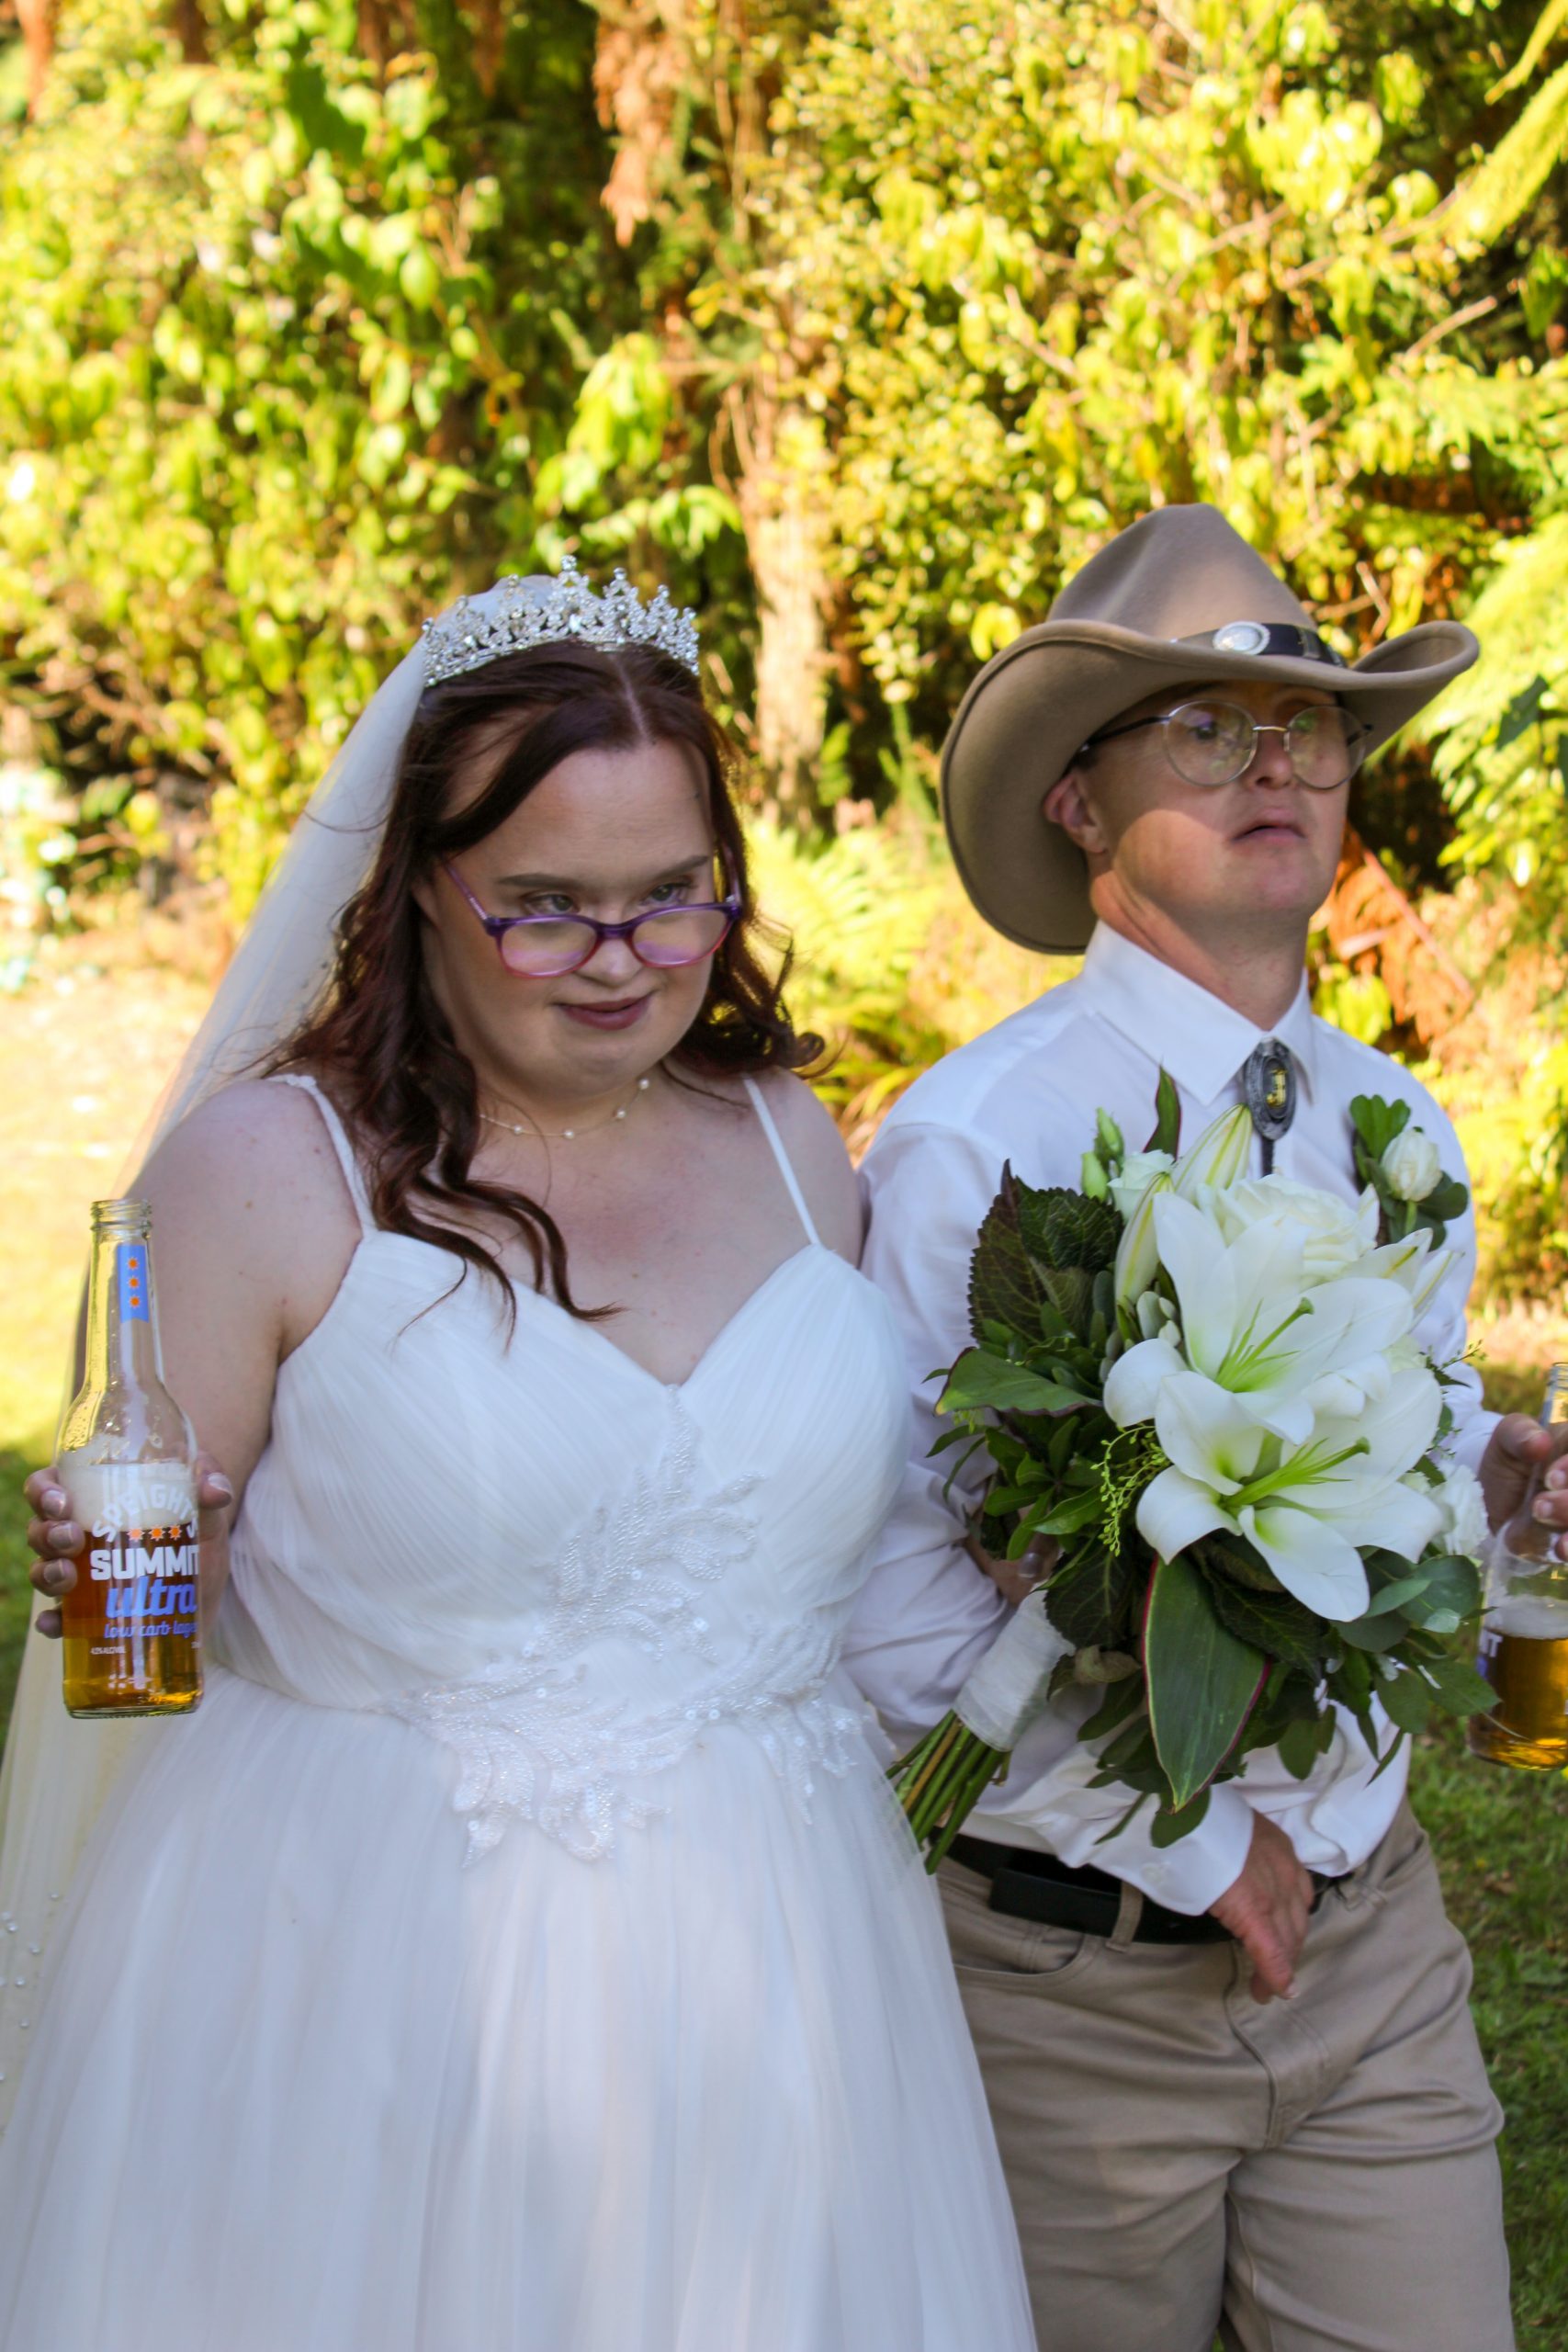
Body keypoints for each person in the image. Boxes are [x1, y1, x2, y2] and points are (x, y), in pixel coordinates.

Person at [0, 564, 1036, 2352]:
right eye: (543, 909)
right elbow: (127, 1662)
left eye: (669, 902)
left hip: (783, 1964)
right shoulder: (259, 1176)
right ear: (416, 889)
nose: (622, 962)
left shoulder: (793, 1138)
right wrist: (147, 1580)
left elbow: (842, 1535)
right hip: (355, 1965)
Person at [845, 504, 1568, 2352]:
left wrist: (1483, 1491)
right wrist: (1198, 1850)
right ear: (1076, 805)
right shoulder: (972, 1149)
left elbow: (1364, 1502)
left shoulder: (1397, 1127)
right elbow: (884, 1599)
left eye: (1309, 725)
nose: (1274, 761)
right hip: (1066, 1980)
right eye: (1203, 724)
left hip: (1371, 1945)